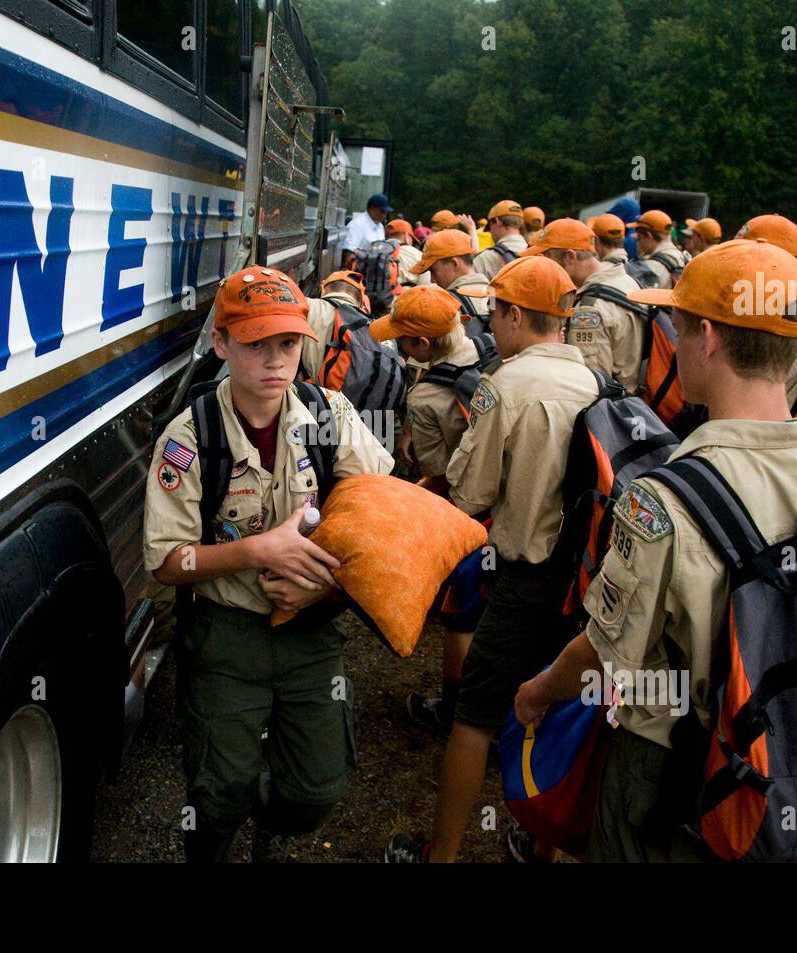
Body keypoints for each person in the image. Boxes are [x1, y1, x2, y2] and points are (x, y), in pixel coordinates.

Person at [511, 239, 797, 862]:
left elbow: (604, 658)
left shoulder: (661, 499)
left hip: (675, 778)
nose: (674, 345)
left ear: (707, 337)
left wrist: (537, 693)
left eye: (677, 329)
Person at [145, 266, 394, 863]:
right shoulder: (190, 438)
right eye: (256, 344)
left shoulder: (329, 416)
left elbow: (383, 518)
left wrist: (326, 587)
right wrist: (257, 550)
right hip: (227, 635)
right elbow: (166, 562)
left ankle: (271, 824)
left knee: (315, 791)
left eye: (288, 342)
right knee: (216, 792)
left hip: (311, 630)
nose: (276, 360)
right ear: (222, 344)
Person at [384, 256, 599, 863]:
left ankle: (442, 853)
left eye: (495, 312)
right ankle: (543, 847)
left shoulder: (505, 386)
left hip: (525, 578)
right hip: (580, 581)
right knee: (552, 705)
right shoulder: (593, 380)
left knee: (476, 716)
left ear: (511, 314)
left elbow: (471, 490)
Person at [368, 285, 492, 731]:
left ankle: (455, 711)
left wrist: (401, 504)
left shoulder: (425, 400)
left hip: (471, 516)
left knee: (460, 617)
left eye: (401, 337)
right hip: (519, 507)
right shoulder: (487, 352)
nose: (396, 343)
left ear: (421, 345)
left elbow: (441, 478)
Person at [523, 217, 644, 389]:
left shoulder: (589, 310)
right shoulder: (626, 280)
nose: (545, 268)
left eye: (548, 259)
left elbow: (590, 385)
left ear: (570, 256)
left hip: (608, 409)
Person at [411, 229, 492, 335]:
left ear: (455, 264)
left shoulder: (445, 303)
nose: (432, 279)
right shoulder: (495, 294)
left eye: (433, 271)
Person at [630, 209, 687, 289]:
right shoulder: (682, 256)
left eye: (638, 238)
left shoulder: (652, 267)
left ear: (649, 236)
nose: (637, 244)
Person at [473, 200, 529, 279]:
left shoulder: (484, 259)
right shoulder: (539, 254)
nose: (490, 232)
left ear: (497, 221)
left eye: (490, 227)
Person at [341, 193, 393, 266]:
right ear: (372, 209)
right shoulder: (357, 225)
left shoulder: (380, 226)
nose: (384, 215)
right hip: (359, 271)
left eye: (386, 212)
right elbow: (348, 253)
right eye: (382, 211)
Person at [385, 218, 429, 287]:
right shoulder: (418, 255)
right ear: (406, 236)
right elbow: (426, 286)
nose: (412, 242)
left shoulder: (372, 252)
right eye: (412, 238)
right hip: (406, 296)